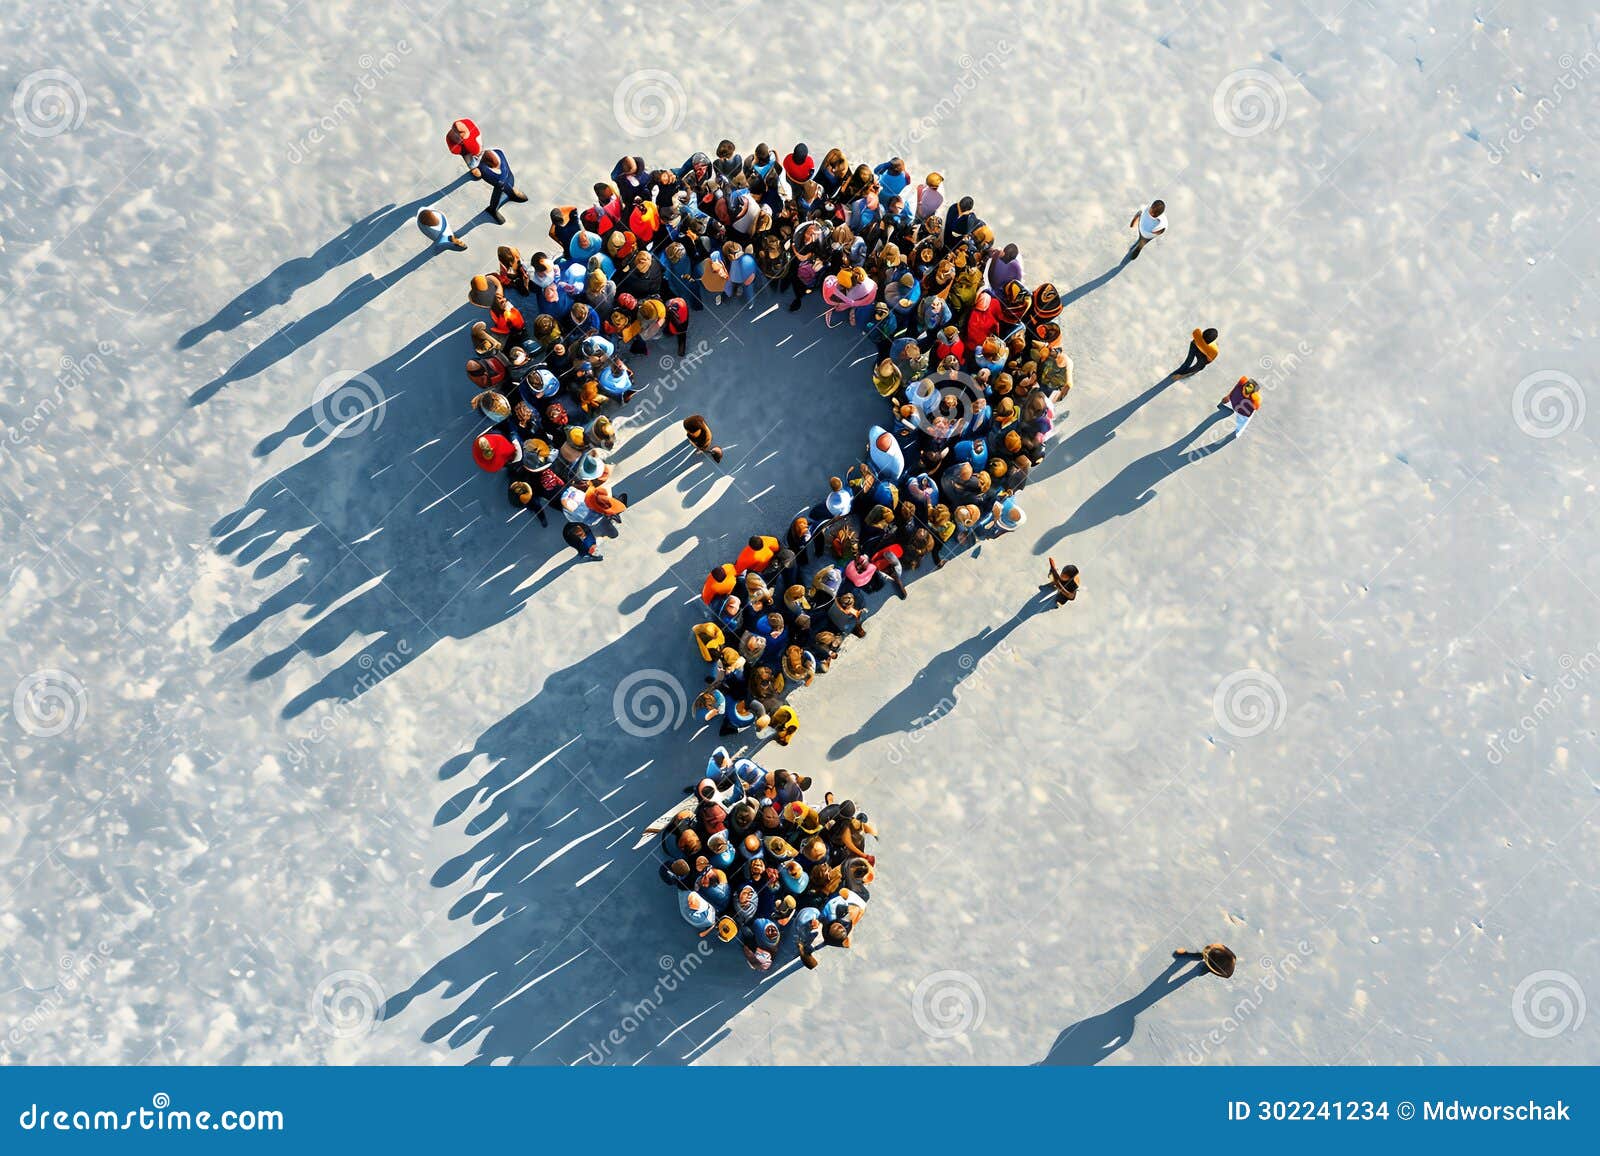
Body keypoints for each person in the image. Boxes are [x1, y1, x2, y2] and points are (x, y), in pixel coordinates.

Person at [479, 147, 528, 224]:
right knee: (504, 182)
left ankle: (493, 209)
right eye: (519, 192)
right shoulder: (498, 156)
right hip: (498, 174)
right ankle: (493, 209)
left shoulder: (498, 154)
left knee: (505, 182)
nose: (518, 190)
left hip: (498, 175)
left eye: (518, 193)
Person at [1172, 943, 1237, 978]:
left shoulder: (1224, 966)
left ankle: (1204, 966)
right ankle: (1198, 958)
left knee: (1205, 965)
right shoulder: (1231, 957)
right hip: (1222, 965)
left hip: (1220, 968)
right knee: (1203, 957)